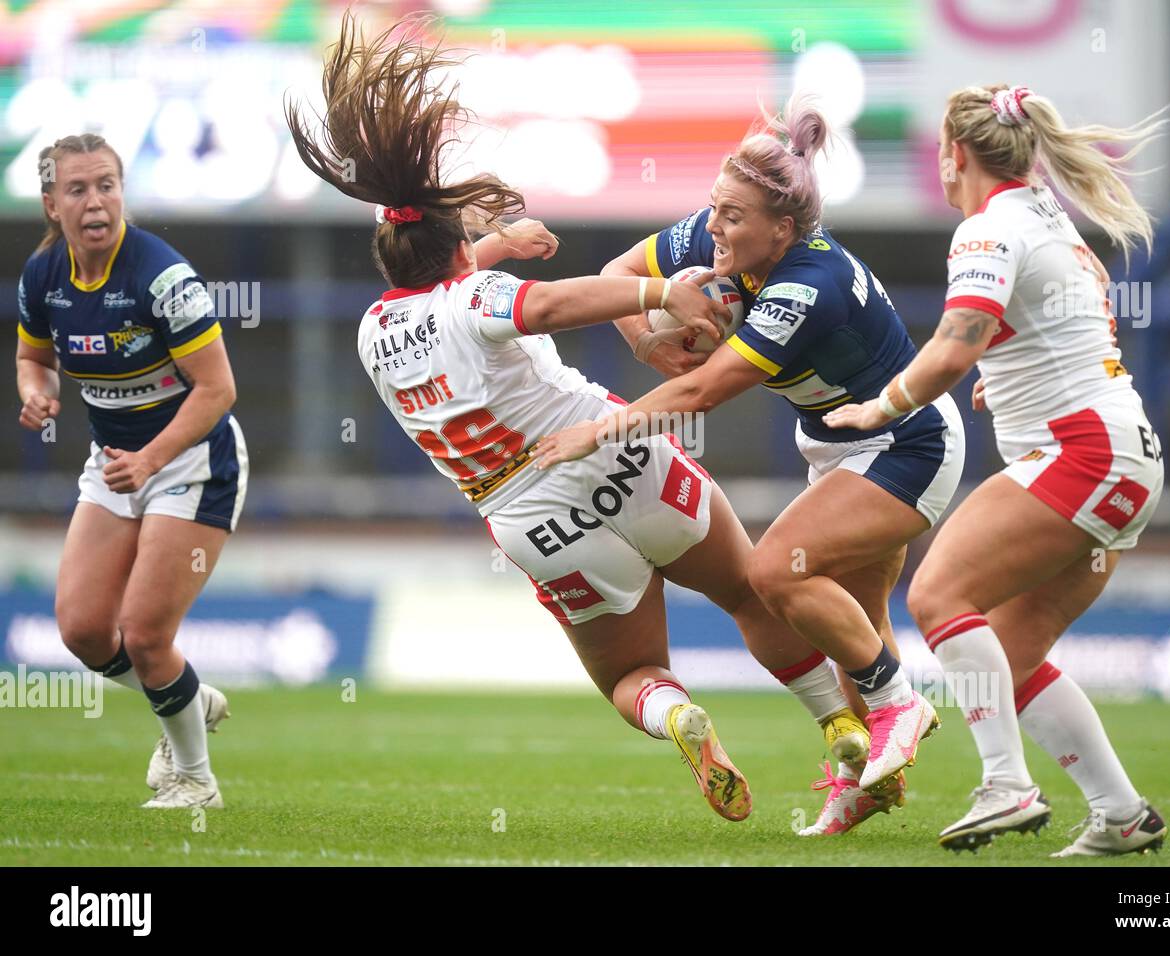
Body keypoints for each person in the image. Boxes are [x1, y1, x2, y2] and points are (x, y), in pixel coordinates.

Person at [285, 12, 883, 825]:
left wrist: (490, 242)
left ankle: (678, 716)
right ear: (458, 251)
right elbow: (551, 304)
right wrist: (656, 293)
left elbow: (433, 296)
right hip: (620, 456)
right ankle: (839, 722)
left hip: (526, 514)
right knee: (750, 592)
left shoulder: (371, 332)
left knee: (628, 674)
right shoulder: (481, 295)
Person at [535, 94, 966, 834]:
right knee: (853, 623)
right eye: (713, 208)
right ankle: (862, 781)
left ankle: (900, 702)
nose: (712, 227)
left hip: (905, 446)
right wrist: (644, 338)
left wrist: (595, 433)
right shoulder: (721, 239)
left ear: (784, 228)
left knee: (775, 573)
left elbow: (704, 391)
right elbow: (616, 271)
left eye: (731, 216)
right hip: (839, 449)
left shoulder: (808, 283)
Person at [823, 85, 1170, 856]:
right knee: (1005, 659)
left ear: (958, 154)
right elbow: (1080, 305)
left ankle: (1006, 787)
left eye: (939, 150)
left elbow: (957, 338)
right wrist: (1010, 361)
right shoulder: (1046, 216)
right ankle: (1121, 813)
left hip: (1083, 454)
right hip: (1124, 456)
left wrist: (882, 407)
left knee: (941, 594)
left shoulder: (990, 227)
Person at [16, 133, 246, 809]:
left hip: (192, 462)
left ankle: (194, 779)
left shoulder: (163, 276)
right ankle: (184, 695)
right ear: (51, 204)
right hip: (114, 466)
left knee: (146, 634)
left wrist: (151, 459)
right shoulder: (44, 277)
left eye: (108, 184)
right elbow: (33, 359)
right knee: (84, 630)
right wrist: (35, 391)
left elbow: (218, 390)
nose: (96, 201)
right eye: (79, 189)